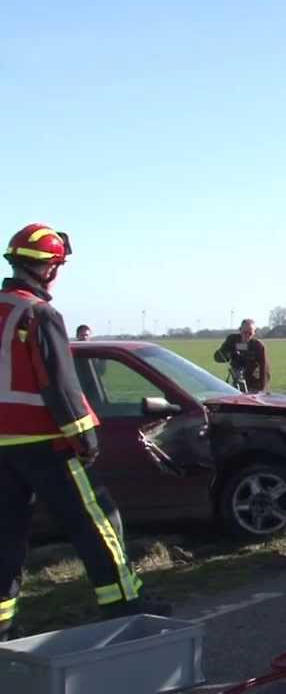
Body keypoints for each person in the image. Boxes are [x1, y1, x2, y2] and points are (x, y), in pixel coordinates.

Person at [0, 224, 169, 642]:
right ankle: (125, 606)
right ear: (51, 268)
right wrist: (85, 436)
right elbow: (59, 383)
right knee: (99, 522)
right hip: (45, 443)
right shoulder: (39, 314)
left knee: (5, 537)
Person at [214, 319, 270, 393]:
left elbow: (264, 370)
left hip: (252, 384)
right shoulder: (232, 340)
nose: (247, 336)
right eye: (245, 332)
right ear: (240, 330)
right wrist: (229, 354)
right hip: (235, 381)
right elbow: (217, 357)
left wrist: (261, 389)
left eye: (250, 333)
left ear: (254, 333)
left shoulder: (258, 346)